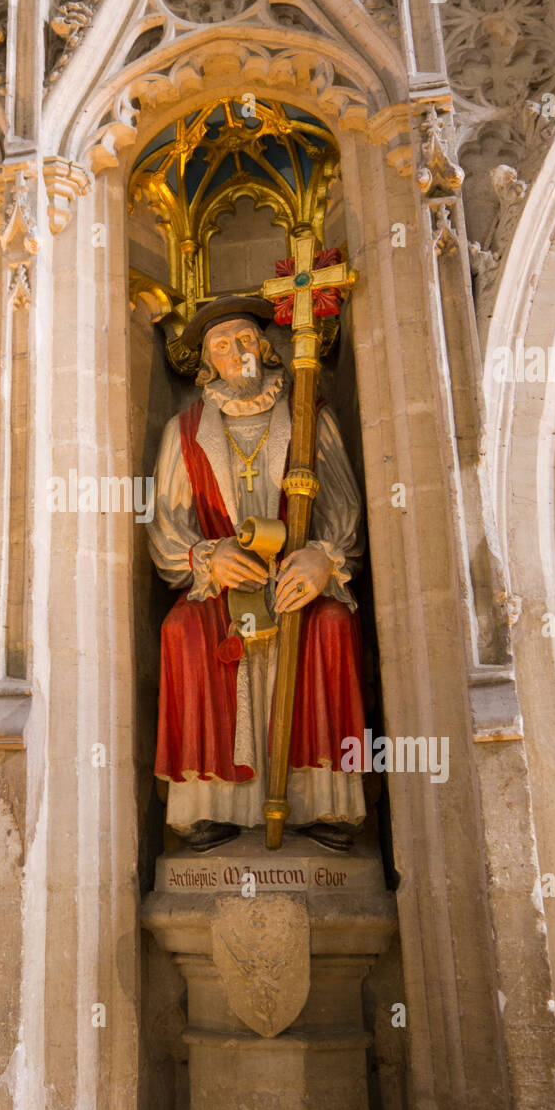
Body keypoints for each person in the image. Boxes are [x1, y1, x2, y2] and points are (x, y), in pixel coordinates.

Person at [147, 296, 366, 851]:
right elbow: (167, 523)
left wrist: (323, 559)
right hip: (225, 583)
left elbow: (342, 504)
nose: (236, 352)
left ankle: (325, 801)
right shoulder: (185, 429)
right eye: (221, 346)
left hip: (295, 575)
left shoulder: (308, 412)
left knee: (332, 627)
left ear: (264, 347)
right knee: (182, 632)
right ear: (207, 364)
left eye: (245, 339)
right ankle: (208, 803)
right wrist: (207, 557)